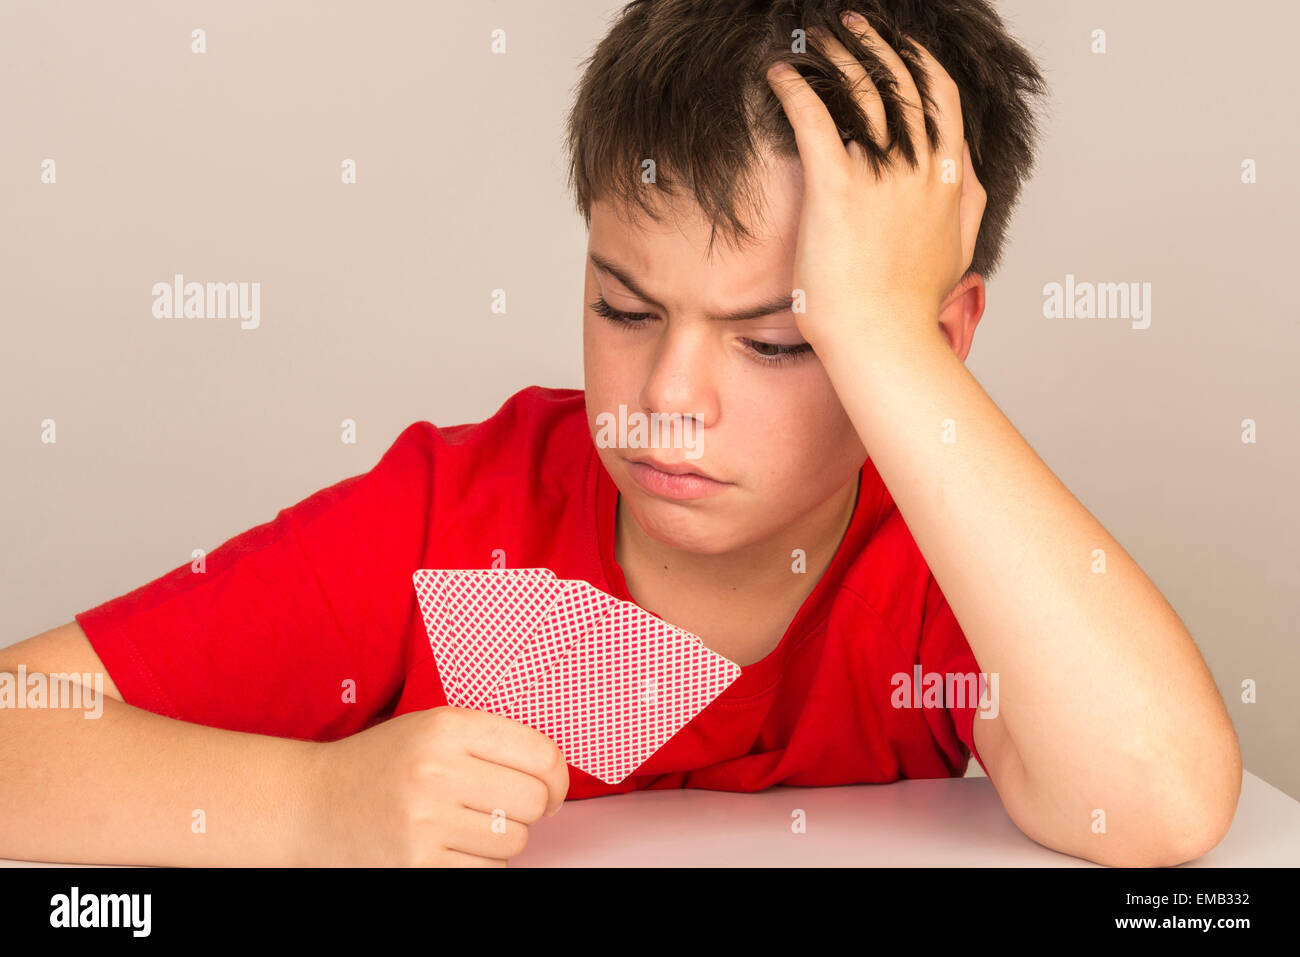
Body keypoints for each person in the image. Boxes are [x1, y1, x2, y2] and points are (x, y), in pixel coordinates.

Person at [0, 0, 1239, 868]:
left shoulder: (946, 561)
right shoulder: (455, 525)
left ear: (936, 342)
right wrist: (310, 809)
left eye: (780, 341)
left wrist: (884, 341)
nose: (668, 399)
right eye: (622, 307)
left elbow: (1160, 808)